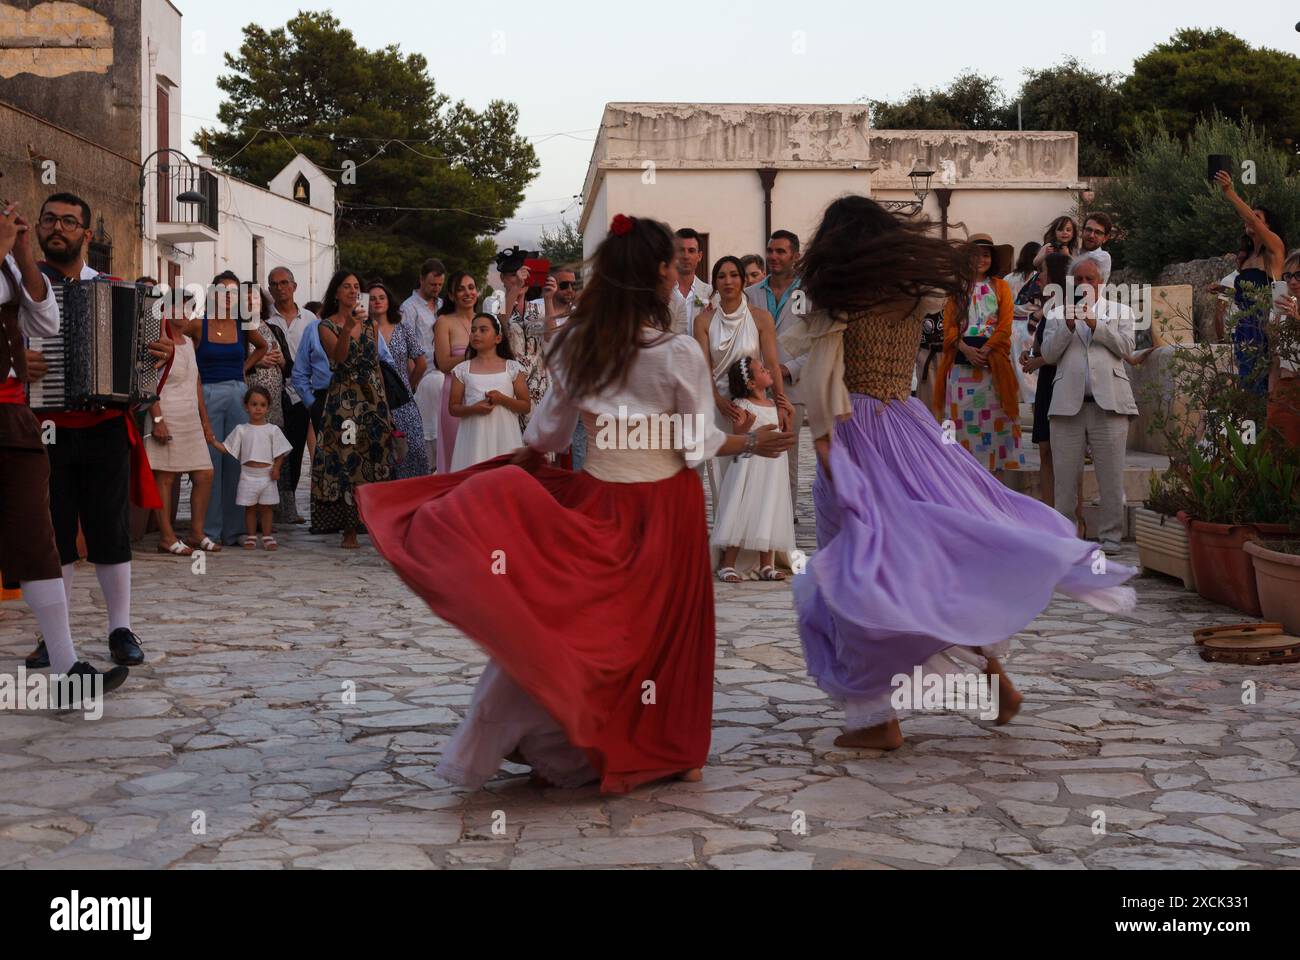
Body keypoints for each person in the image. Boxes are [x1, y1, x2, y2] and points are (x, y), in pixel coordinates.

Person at [357, 214, 794, 793]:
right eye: (670, 264)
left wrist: (510, 472)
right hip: (665, 507)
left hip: (597, 498)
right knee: (661, 635)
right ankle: (670, 746)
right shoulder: (677, 352)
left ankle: (568, 735)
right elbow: (693, 445)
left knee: (592, 627)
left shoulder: (577, 345)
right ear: (659, 273)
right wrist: (751, 442)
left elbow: (546, 436)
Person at [783, 195, 1136, 752]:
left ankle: (876, 717)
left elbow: (824, 383)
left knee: (857, 572)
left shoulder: (838, 301)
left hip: (857, 432)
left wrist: (828, 452)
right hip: (908, 424)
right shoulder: (909, 293)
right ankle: (993, 681)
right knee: (929, 557)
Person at [25, 192, 174, 671]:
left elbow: (143, 365)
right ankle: (56, 637)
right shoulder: (20, 287)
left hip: (106, 426)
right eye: (50, 220)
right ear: (39, 227)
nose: (58, 228)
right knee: (55, 533)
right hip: (44, 427)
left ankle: (120, 627)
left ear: (87, 235)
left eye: (69, 222)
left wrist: (158, 356)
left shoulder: (113, 288)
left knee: (110, 530)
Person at [0, 199, 128, 696]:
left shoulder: (15, 265)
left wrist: (23, 252)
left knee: (37, 542)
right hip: (31, 419)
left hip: (14, 420)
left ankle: (67, 668)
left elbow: (46, 319)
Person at [1040, 257, 1139, 554]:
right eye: (1079, 279)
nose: (1084, 284)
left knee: (1110, 477)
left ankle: (1110, 537)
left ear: (1101, 283)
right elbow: (1047, 354)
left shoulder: (1120, 311)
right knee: (1065, 481)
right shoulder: (1056, 313)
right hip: (1067, 406)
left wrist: (1096, 325)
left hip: (1109, 404)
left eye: (1090, 279)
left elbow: (1127, 348)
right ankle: (1067, 537)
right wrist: (1068, 326)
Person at [693, 256, 793, 504]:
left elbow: (771, 363)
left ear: (742, 280)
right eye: (721, 276)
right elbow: (703, 368)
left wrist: (781, 403)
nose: (728, 281)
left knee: (751, 480)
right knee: (724, 480)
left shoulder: (761, 318)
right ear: (715, 283)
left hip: (754, 407)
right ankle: (725, 538)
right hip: (718, 407)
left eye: (734, 275)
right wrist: (717, 400)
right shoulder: (703, 321)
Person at [312, 270, 393, 549]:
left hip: (372, 398)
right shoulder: (325, 326)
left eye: (356, 286)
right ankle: (348, 529)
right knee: (347, 460)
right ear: (336, 292)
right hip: (345, 400)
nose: (351, 291)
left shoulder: (371, 324)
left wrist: (386, 405)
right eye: (346, 286)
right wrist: (347, 328)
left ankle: (372, 524)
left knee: (375, 456)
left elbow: (376, 363)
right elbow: (339, 358)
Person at [936, 234, 1024, 475]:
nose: (981, 259)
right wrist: (965, 348)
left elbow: (1005, 325)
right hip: (961, 367)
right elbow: (950, 326)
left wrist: (985, 350)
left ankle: (995, 486)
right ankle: (957, 481)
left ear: (992, 258)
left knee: (996, 428)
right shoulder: (957, 289)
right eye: (976, 254)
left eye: (986, 254)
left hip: (992, 367)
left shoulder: (1001, 287)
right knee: (956, 425)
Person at [711, 356, 795, 583]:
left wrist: (790, 414)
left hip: (773, 468)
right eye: (762, 369)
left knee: (768, 508)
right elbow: (738, 435)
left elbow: (784, 432)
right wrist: (748, 424)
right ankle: (728, 563)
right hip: (749, 466)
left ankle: (766, 564)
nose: (768, 370)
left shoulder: (773, 405)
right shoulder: (743, 405)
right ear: (750, 383)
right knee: (741, 510)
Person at [746, 230, 808, 520]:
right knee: (755, 453)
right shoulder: (752, 294)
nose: (773, 257)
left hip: (792, 389)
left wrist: (788, 369)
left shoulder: (810, 294)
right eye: (770, 251)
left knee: (786, 456)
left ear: (795, 255)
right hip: (756, 391)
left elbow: (820, 341)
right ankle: (757, 516)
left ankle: (785, 516)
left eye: (781, 251)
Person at [144, 310, 217, 556]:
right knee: (165, 477)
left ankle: (197, 532)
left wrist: (204, 420)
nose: (185, 313)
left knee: (205, 473)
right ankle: (166, 536)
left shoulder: (188, 343)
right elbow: (148, 383)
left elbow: (195, 381)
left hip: (189, 416)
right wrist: (158, 419)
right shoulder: (158, 343)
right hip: (166, 412)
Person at [1215, 171, 1286, 397]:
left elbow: (1265, 292)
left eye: (1256, 217)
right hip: (1245, 326)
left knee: (1266, 381)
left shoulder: (1275, 248)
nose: (1249, 218)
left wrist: (1229, 192)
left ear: (1267, 226)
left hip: (1266, 323)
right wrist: (1226, 289)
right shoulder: (1247, 258)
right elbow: (1246, 290)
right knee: (1248, 383)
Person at [207, 385, 293, 551]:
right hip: (247, 475)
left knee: (267, 508)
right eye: (254, 404)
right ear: (246, 407)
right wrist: (213, 442)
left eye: (262, 405)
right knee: (250, 508)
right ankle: (251, 536)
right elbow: (227, 448)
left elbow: (281, 452)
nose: (258, 408)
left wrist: (276, 468)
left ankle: (267, 536)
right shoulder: (241, 430)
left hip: (267, 475)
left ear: (268, 407)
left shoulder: (272, 430)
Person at [1020, 253, 1072, 511]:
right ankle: (1049, 510)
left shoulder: (1068, 306)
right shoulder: (1050, 306)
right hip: (1045, 385)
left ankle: (1069, 514)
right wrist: (1030, 355)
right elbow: (1043, 346)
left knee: (1061, 453)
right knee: (1045, 451)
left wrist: (1038, 362)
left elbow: (1066, 349)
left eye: (1042, 271)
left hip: (1060, 383)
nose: (1038, 277)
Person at [266, 266, 316, 524]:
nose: (279, 288)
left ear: (294, 286)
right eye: (274, 284)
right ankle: (269, 504)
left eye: (284, 283)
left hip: (299, 395)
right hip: (271, 394)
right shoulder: (265, 319)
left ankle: (289, 503)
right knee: (270, 451)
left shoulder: (310, 320)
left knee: (294, 451)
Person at [449, 314, 530, 471]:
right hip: (474, 438)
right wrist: (474, 408)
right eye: (473, 330)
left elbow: (525, 406)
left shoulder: (512, 368)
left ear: (498, 338)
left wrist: (502, 399)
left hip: (504, 435)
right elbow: (453, 408)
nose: (476, 334)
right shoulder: (462, 370)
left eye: (483, 330)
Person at [370, 279, 430, 478]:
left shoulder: (403, 329)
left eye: (381, 297)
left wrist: (408, 387)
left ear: (389, 301)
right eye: (372, 299)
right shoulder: (362, 331)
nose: (377, 301)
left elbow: (421, 363)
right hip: (373, 402)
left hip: (404, 402)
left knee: (414, 452)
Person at [401, 259, 445, 470]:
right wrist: (414, 383)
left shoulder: (442, 305)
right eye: (432, 285)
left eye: (439, 285)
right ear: (421, 280)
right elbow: (406, 349)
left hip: (443, 376)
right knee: (428, 438)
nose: (436, 289)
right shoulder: (408, 308)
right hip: (423, 377)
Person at [433, 272, 477, 473]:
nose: (468, 293)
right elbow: (443, 364)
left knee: (478, 455)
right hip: (455, 396)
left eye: (471, 287)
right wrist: (473, 354)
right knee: (456, 456)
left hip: (480, 394)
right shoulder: (445, 322)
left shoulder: (484, 320)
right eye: (461, 289)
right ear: (451, 296)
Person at [1268, 252, 1300, 447]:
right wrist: (1272, 395)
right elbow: (1275, 358)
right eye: (1288, 276)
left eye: (1299, 275)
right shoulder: (1279, 313)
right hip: (1284, 388)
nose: (1293, 281)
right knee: (1280, 450)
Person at [1006, 242, 1042, 405]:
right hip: (1031, 326)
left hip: (1011, 327)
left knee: (1014, 366)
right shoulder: (1039, 277)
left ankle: (1017, 401)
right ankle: (1033, 400)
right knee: (1030, 368)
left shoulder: (1009, 278)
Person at [671, 228, 713, 336]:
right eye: (681, 250)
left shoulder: (711, 294)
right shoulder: (661, 292)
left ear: (699, 256)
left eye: (691, 250)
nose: (686, 256)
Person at [1072, 213, 1114, 284]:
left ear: (1105, 238)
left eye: (1098, 232)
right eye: (1089, 230)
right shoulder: (1075, 253)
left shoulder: (1103, 257)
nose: (1091, 235)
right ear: (1082, 232)